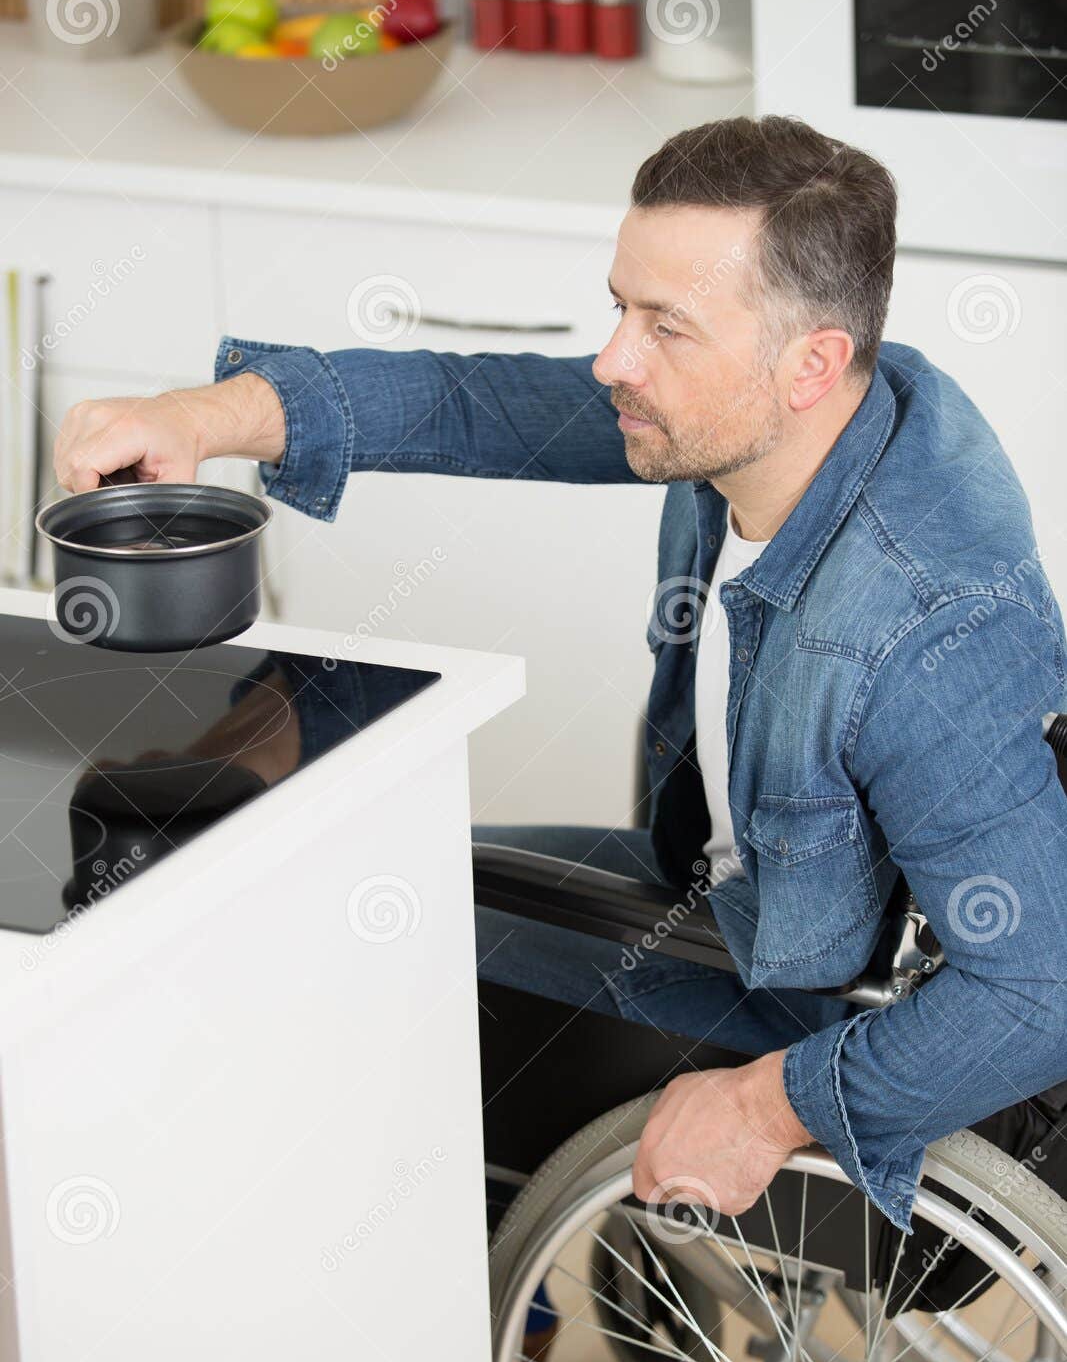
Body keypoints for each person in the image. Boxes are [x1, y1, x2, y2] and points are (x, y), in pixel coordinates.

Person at [53, 115, 1067, 1237]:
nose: (611, 361)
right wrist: (206, 416)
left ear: (809, 362)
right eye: (618, 307)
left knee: (343, 966)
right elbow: (483, 402)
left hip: (803, 1005)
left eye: (663, 328)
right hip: (721, 892)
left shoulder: (930, 622)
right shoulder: (785, 409)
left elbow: (1038, 989)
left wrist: (764, 1108)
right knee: (372, 888)